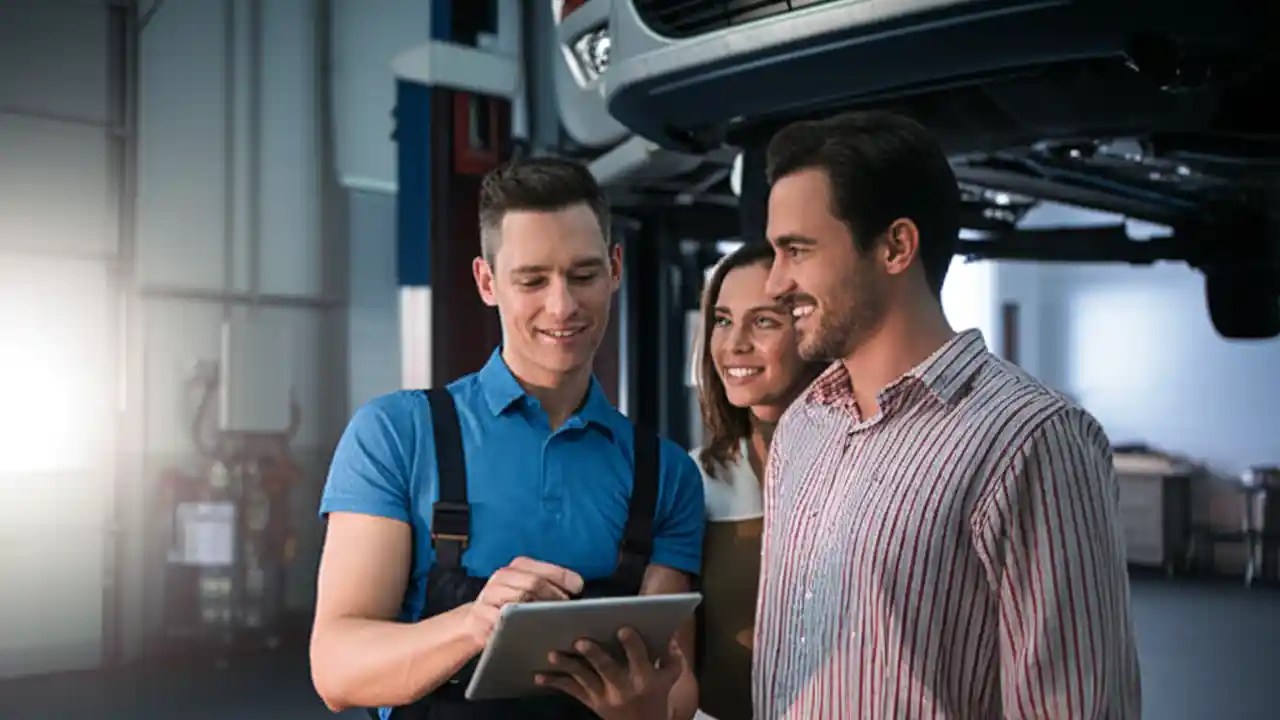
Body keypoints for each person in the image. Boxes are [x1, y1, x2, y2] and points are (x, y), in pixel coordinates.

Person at [752, 110, 1143, 719]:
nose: (775, 284)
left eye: (796, 251)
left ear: (896, 246)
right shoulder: (804, 426)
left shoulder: (1030, 440)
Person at [310, 156, 705, 720]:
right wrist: (475, 625)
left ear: (616, 268)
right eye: (533, 280)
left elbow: (679, 683)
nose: (562, 305)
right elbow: (336, 669)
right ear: (487, 282)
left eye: (584, 274)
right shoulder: (397, 435)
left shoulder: (665, 473)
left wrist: (644, 711)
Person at [685, 242, 823, 720]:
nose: (734, 343)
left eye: (763, 321)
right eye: (723, 320)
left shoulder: (872, 471)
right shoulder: (695, 480)